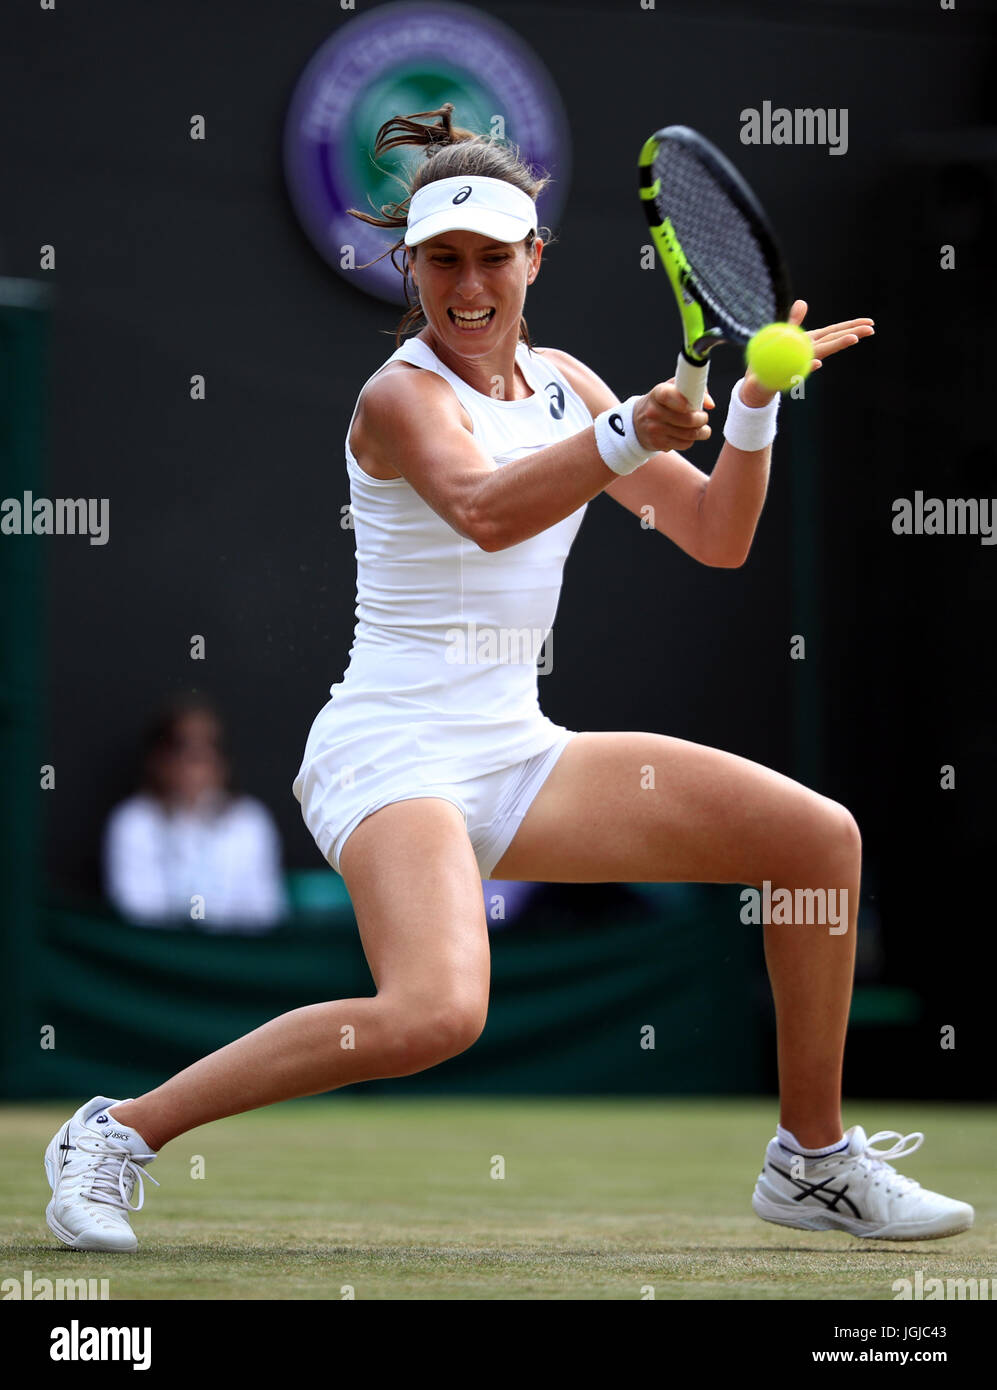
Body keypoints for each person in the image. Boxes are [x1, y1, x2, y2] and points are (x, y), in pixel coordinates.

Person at [44, 104, 971, 1253]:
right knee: (435, 1013)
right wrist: (627, 433)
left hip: (516, 751)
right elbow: (484, 512)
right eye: (444, 259)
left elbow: (716, 536)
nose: (469, 285)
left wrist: (750, 408)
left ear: (535, 259)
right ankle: (116, 1131)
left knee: (817, 842)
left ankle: (813, 1157)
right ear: (410, 264)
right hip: (390, 757)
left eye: (494, 257)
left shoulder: (569, 385)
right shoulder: (401, 396)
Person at [102, 700, 286, 930]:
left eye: (208, 749)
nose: (197, 763)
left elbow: (265, 911)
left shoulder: (250, 821)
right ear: (159, 760)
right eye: (183, 749)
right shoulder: (133, 822)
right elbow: (137, 911)